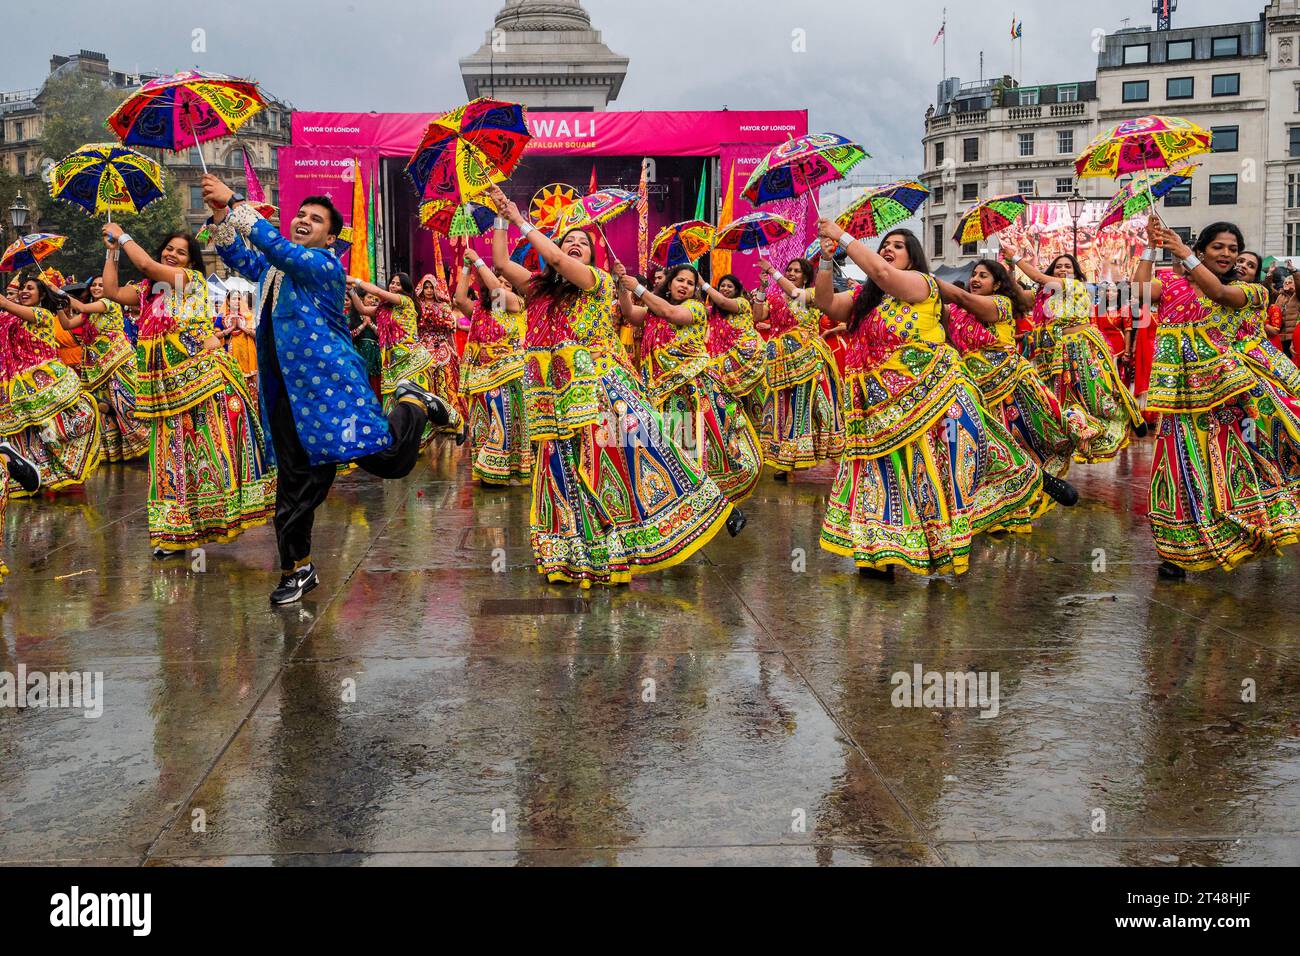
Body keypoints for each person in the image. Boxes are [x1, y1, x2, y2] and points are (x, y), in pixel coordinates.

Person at [205, 174, 461, 604]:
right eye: (300, 215)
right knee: (293, 485)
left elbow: (277, 249)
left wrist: (235, 201)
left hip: (330, 390)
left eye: (315, 219)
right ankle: (297, 570)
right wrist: (219, 213)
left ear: (330, 236)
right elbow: (238, 255)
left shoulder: (323, 266)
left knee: (390, 459)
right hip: (284, 393)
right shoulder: (274, 271)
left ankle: (413, 401)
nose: (303, 220)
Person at [486, 182, 733, 586]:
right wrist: (500, 216)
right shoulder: (540, 289)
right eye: (569, 240)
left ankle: (636, 538)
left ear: (592, 253)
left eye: (582, 241)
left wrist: (520, 220)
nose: (575, 245)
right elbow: (500, 262)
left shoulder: (595, 280)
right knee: (560, 467)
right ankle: (572, 551)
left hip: (599, 390)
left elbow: (561, 264)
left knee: (611, 465)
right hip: (555, 397)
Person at [813, 222, 1049, 578]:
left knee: (926, 474)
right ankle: (881, 549)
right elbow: (826, 303)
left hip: (924, 400)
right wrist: (827, 261)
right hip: (875, 408)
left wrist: (842, 235)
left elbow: (881, 271)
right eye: (885, 245)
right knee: (882, 476)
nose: (888, 250)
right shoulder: (869, 297)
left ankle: (1028, 486)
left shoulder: (921, 284)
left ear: (913, 257)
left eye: (898, 246)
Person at [1136, 219, 1300, 579]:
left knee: (1238, 466)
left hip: (1234, 398)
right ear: (1202, 251)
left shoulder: (1250, 292)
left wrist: (1181, 252)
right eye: (1217, 247)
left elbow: (1219, 296)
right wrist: (1151, 246)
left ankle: (1256, 528)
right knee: (1182, 469)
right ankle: (1179, 553)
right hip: (1181, 398)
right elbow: (1139, 292)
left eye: (1233, 249)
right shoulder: (1174, 286)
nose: (1227, 254)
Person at [102, 225, 274, 556]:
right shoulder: (148, 291)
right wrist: (110, 250)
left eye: (181, 252)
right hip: (164, 389)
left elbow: (148, 266)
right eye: (169, 248)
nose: (172, 255)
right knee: (169, 457)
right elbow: (110, 290)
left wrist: (123, 236)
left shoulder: (188, 281)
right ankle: (174, 531)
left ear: (191, 262)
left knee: (204, 456)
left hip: (200, 384)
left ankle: (211, 520)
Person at [616, 261, 760, 531]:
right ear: (669, 283)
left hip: (689, 392)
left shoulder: (694, 309)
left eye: (690, 283)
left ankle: (724, 513)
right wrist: (622, 286)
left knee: (687, 458)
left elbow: (670, 313)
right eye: (680, 280)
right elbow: (629, 313)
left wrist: (636, 286)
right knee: (673, 458)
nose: (684, 285)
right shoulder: (651, 310)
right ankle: (706, 514)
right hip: (661, 395)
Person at [939, 260, 1085, 518]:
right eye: (973, 274)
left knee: (1015, 445)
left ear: (997, 284)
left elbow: (961, 297)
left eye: (983, 275)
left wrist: (924, 278)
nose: (975, 279)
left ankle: (1029, 496)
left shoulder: (1000, 304)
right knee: (980, 450)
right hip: (975, 390)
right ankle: (992, 506)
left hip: (1009, 389)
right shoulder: (957, 311)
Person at [1003, 243, 1146, 461]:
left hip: (1078, 348)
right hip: (1051, 355)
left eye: (1067, 266)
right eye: (1058, 266)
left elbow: (1040, 278)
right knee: (1056, 401)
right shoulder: (1044, 293)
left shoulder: (1075, 286)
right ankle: (1072, 434)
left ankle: (1122, 421)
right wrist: (1011, 271)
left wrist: (1016, 258)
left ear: (1076, 272)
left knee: (1094, 396)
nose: (1063, 270)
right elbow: (1020, 298)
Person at [0, 271, 101, 495]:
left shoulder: (43, 315)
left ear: (42, 295)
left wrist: (6, 301)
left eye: (30, 288)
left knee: (51, 435)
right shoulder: (10, 318)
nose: (25, 291)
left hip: (45, 384)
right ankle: (31, 476)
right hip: (18, 387)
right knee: (27, 435)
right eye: (23, 288)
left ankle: (56, 473)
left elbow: (10, 307)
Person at [348, 272, 467, 447]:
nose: (393, 286)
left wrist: (356, 280)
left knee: (420, 401)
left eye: (398, 284)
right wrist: (351, 292)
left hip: (411, 361)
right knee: (391, 405)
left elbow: (379, 293)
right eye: (392, 283)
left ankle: (454, 419)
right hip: (390, 364)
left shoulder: (405, 302)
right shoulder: (384, 308)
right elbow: (363, 310)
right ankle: (396, 443)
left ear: (406, 288)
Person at [755, 255, 845, 479]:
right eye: (789, 270)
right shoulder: (775, 297)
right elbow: (758, 316)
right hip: (781, 362)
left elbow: (795, 295)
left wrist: (773, 270)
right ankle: (784, 459)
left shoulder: (812, 295)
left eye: (797, 271)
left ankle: (815, 453)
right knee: (781, 408)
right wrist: (762, 289)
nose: (792, 273)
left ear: (805, 276)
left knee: (807, 407)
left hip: (807, 359)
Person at [454, 249, 533, 486]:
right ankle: (488, 467)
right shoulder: (480, 309)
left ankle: (498, 470)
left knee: (504, 423)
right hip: (479, 377)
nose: (501, 286)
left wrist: (479, 260)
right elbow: (459, 299)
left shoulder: (517, 304)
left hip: (508, 376)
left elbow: (497, 293)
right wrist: (467, 267)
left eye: (508, 284)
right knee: (482, 424)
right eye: (498, 281)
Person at [65, 275, 150, 462]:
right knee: (105, 410)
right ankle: (117, 452)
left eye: (101, 285)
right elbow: (67, 324)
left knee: (125, 405)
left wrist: (58, 293)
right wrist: (58, 307)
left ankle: (147, 441)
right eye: (94, 285)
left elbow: (81, 307)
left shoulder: (109, 303)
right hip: (97, 368)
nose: (96, 288)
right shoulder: (89, 313)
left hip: (118, 364)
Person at [415, 271, 467, 422]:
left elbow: (451, 326)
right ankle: (428, 419)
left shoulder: (443, 305)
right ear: (422, 289)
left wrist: (444, 324)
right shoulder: (417, 306)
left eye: (432, 287)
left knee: (446, 380)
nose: (429, 291)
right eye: (426, 287)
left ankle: (450, 418)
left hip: (442, 349)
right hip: (424, 349)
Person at [347, 292, 382, 398]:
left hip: (374, 354)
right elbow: (349, 335)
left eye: (375, 298)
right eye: (369, 297)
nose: (372, 300)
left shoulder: (377, 315)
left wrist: (371, 324)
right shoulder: (353, 315)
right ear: (362, 299)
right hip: (359, 353)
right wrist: (363, 325)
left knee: (375, 382)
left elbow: (381, 335)